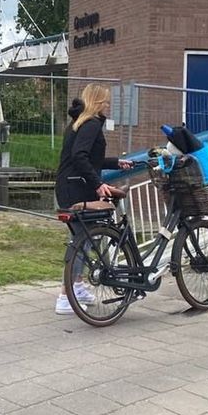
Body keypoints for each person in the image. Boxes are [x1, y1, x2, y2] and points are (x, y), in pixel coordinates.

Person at [53, 83, 133, 314]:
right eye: (106, 101)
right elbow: (79, 157)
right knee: (83, 241)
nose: (108, 105)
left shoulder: (79, 123)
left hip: (70, 186)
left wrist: (115, 162)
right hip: (77, 189)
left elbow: (88, 157)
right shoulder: (91, 125)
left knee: (86, 239)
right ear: (98, 103)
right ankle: (64, 297)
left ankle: (76, 287)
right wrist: (98, 184)